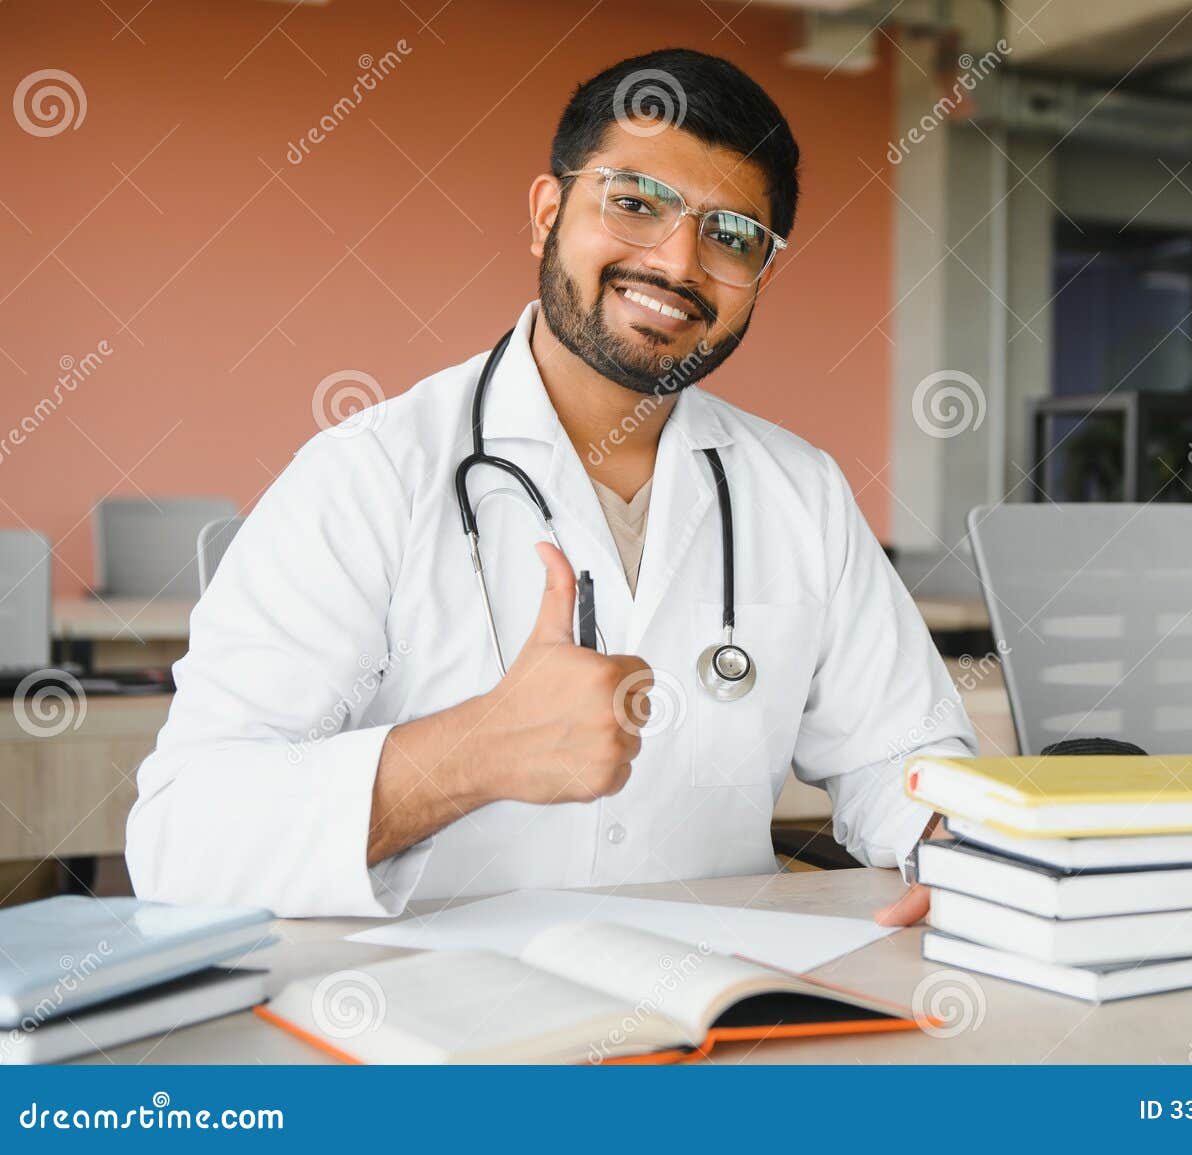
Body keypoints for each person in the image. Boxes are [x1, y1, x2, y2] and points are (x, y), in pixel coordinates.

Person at [125, 48, 973, 921]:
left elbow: (899, 753)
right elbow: (182, 837)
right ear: (546, 214)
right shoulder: (368, 473)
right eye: (635, 202)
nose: (679, 263)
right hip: (427, 1030)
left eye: (730, 236)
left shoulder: (801, 492)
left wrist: (947, 838)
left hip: (715, 1016)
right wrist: (474, 752)